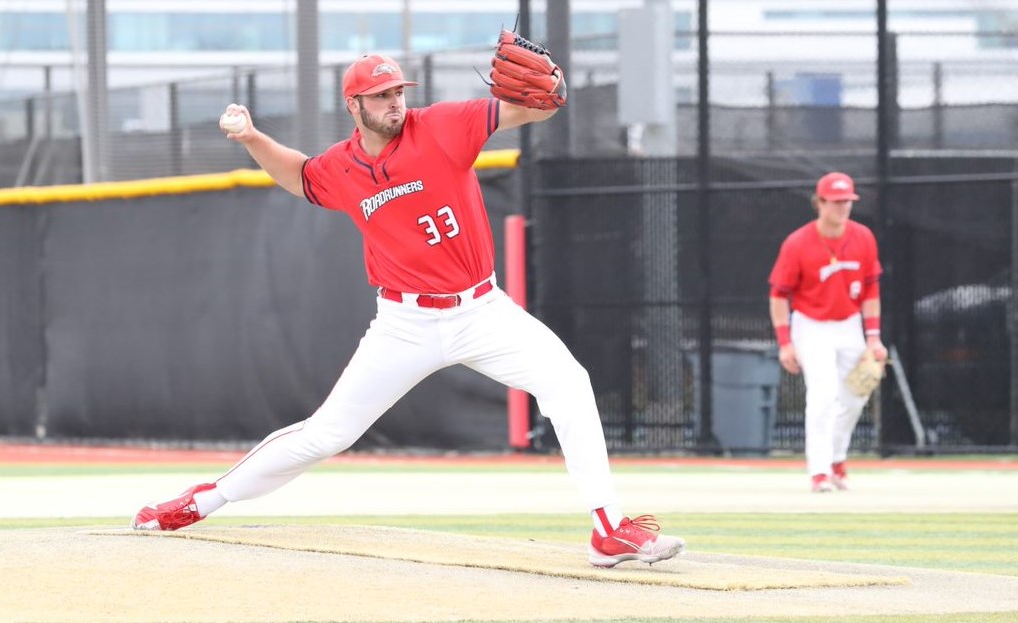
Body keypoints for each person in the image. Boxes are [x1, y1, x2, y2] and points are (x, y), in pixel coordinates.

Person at [130, 53, 685, 568]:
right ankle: (203, 501)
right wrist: (251, 137)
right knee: (327, 434)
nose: (394, 102)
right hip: (404, 324)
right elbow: (300, 176)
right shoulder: (343, 167)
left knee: (568, 382)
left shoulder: (442, 124)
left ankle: (608, 529)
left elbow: (526, 110)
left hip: (482, 312)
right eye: (380, 95)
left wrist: (554, 90)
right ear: (355, 106)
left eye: (397, 91)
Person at [768, 172, 887, 493]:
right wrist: (785, 344)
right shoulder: (797, 243)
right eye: (835, 201)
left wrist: (873, 337)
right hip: (811, 325)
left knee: (857, 395)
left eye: (847, 200)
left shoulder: (863, 237)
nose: (843, 207)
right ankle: (818, 471)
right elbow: (778, 295)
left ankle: (836, 459)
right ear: (819, 203)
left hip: (849, 325)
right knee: (822, 395)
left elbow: (871, 291)